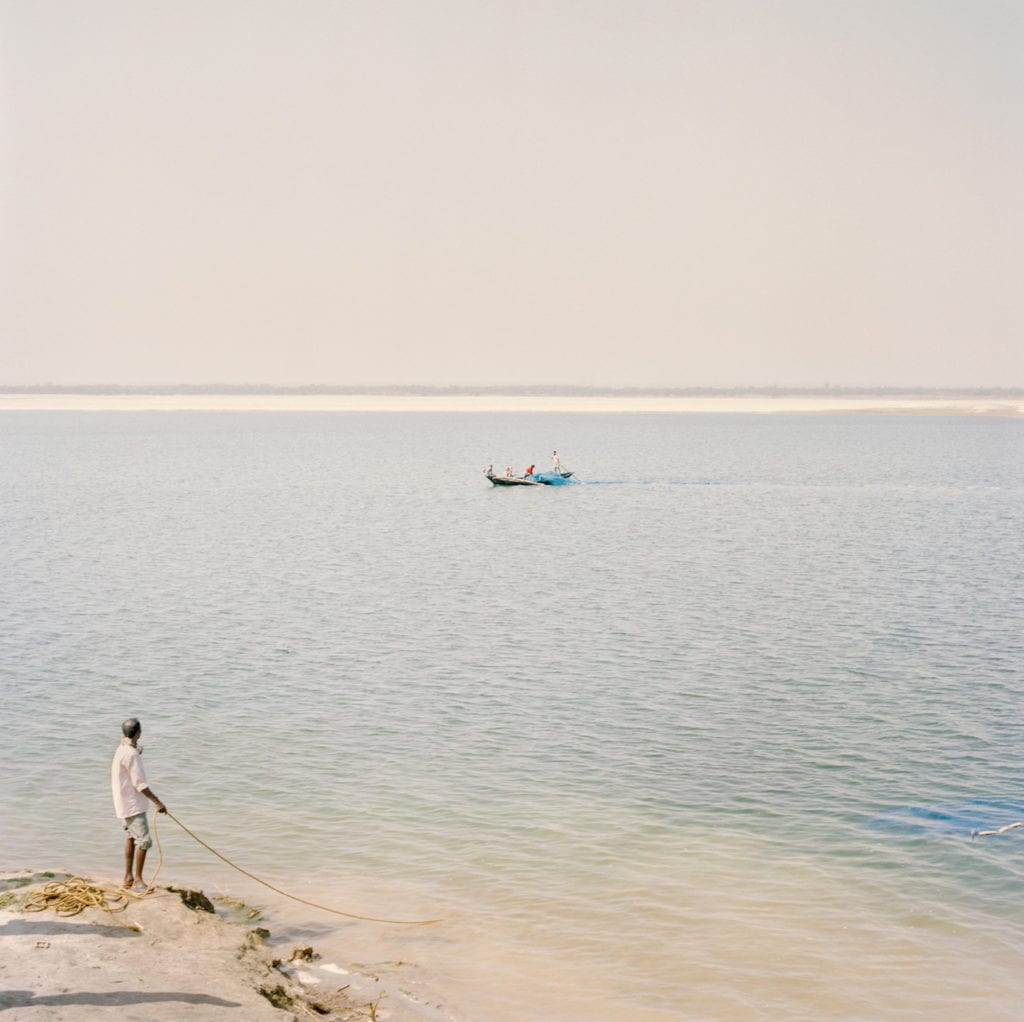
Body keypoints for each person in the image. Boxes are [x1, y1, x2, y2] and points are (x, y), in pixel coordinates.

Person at [111, 718, 167, 891]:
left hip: (122, 803)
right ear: (138, 732)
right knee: (143, 841)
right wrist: (158, 802)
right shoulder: (131, 754)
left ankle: (128, 878)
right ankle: (138, 881)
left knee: (130, 837)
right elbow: (139, 784)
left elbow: (131, 754)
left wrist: (136, 748)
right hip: (133, 805)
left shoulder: (122, 749)